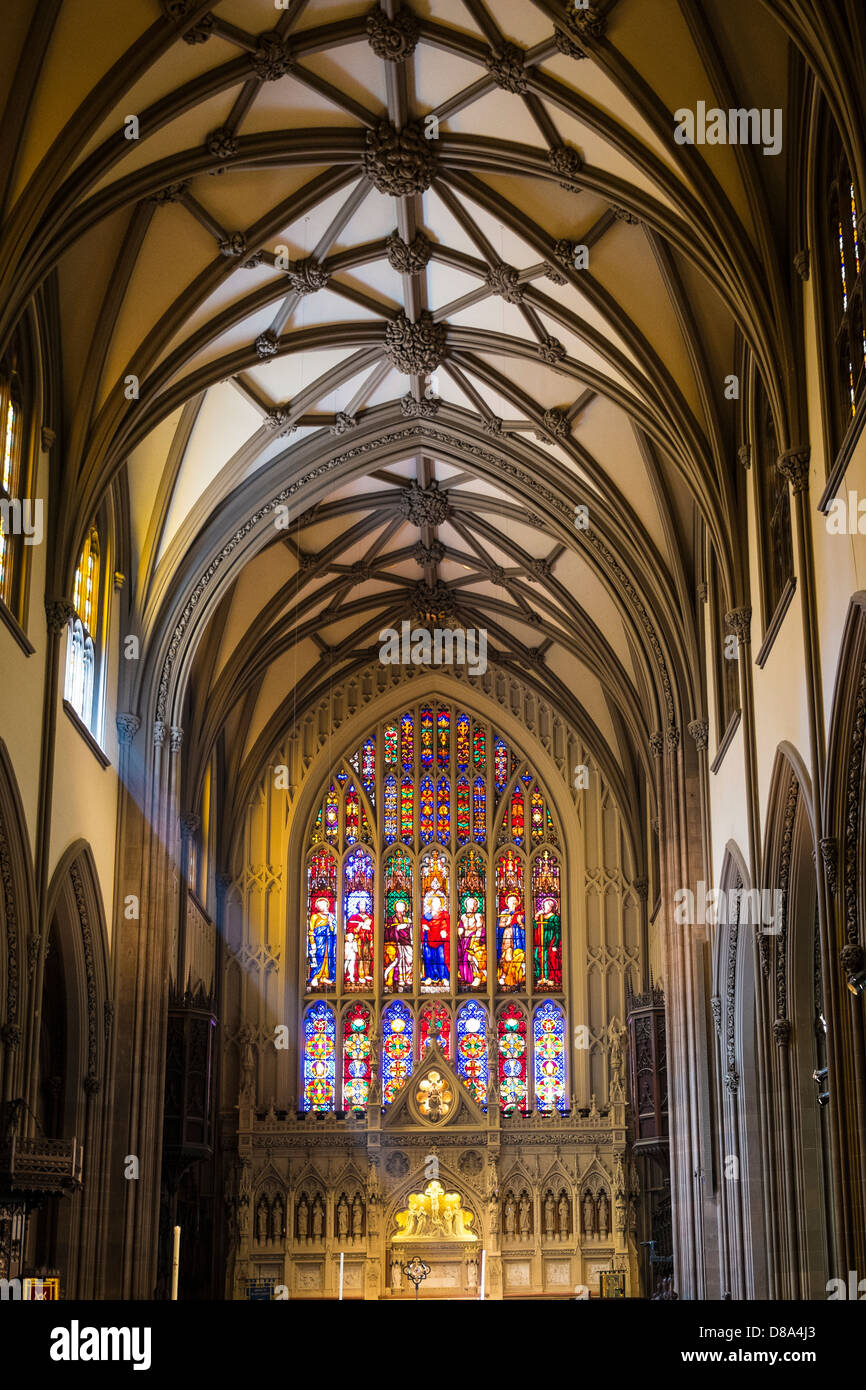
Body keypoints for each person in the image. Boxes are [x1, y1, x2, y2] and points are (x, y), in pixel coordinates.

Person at [344, 889, 374, 989]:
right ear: (358, 907)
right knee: (359, 957)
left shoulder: (370, 917)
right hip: (358, 940)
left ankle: (366, 973)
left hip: (368, 940)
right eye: (361, 905)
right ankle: (360, 975)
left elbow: (374, 928)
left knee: (367, 956)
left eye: (364, 905)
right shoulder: (353, 917)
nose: (363, 907)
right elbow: (349, 928)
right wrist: (358, 927)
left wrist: (369, 927)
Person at [496, 891, 526, 989]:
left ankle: (517, 976)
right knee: (507, 955)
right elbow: (499, 925)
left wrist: (520, 923)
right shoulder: (504, 913)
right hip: (507, 935)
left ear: (518, 903)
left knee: (517, 955)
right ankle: (504, 974)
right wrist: (507, 922)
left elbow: (525, 927)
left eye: (514, 901)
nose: (513, 903)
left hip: (519, 937)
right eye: (511, 901)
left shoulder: (521, 913)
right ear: (507, 903)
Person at [422, 889, 450, 985]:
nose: (436, 903)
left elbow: (447, 925)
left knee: (441, 957)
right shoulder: (426, 915)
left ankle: (443, 977)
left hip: (441, 940)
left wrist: (444, 931)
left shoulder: (445, 914)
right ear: (430, 904)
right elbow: (422, 924)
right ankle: (430, 976)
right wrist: (423, 927)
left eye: (438, 901)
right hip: (428, 939)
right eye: (434, 901)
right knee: (428, 957)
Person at [308, 892, 336, 987]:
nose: (322, 907)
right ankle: (316, 976)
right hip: (318, 941)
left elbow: (334, 930)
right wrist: (312, 943)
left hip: (329, 941)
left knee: (328, 957)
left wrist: (331, 923)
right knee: (318, 957)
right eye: (320, 905)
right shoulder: (315, 916)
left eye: (324, 904)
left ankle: (325, 976)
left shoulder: (331, 917)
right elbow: (311, 931)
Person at [384, 895, 412, 991]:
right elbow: (388, 931)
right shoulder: (391, 920)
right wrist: (397, 928)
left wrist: (407, 926)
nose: (400, 911)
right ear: (395, 909)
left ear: (405, 909)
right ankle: (401, 978)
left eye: (402, 908)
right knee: (400, 960)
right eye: (398, 908)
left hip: (408, 943)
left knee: (410, 959)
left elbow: (412, 931)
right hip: (397, 943)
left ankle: (409, 976)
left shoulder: (409, 920)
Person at [457, 892, 485, 987]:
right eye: (470, 905)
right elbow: (460, 928)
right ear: (466, 906)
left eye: (474, 905)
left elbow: (480, 929)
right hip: (463, 940)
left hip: (473, 939)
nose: (472, 907)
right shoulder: (463, 917)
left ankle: (477, 976)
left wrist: (476, 941)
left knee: (471, 958)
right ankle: (464, 975)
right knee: (462, 957)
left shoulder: (478, 916)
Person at [533, 894, 561, 987]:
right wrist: (536, 918)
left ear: (552, 907)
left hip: (550, 941)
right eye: (544, 905)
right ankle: (541, 977)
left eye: (547, 906)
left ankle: (549, 978)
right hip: (540, 941)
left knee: (548, 959)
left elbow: (557, 931)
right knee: (537, 957)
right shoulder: (541, 917)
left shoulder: (555, 918)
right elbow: (534, 927)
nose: (544, 907)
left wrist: (555, 944)